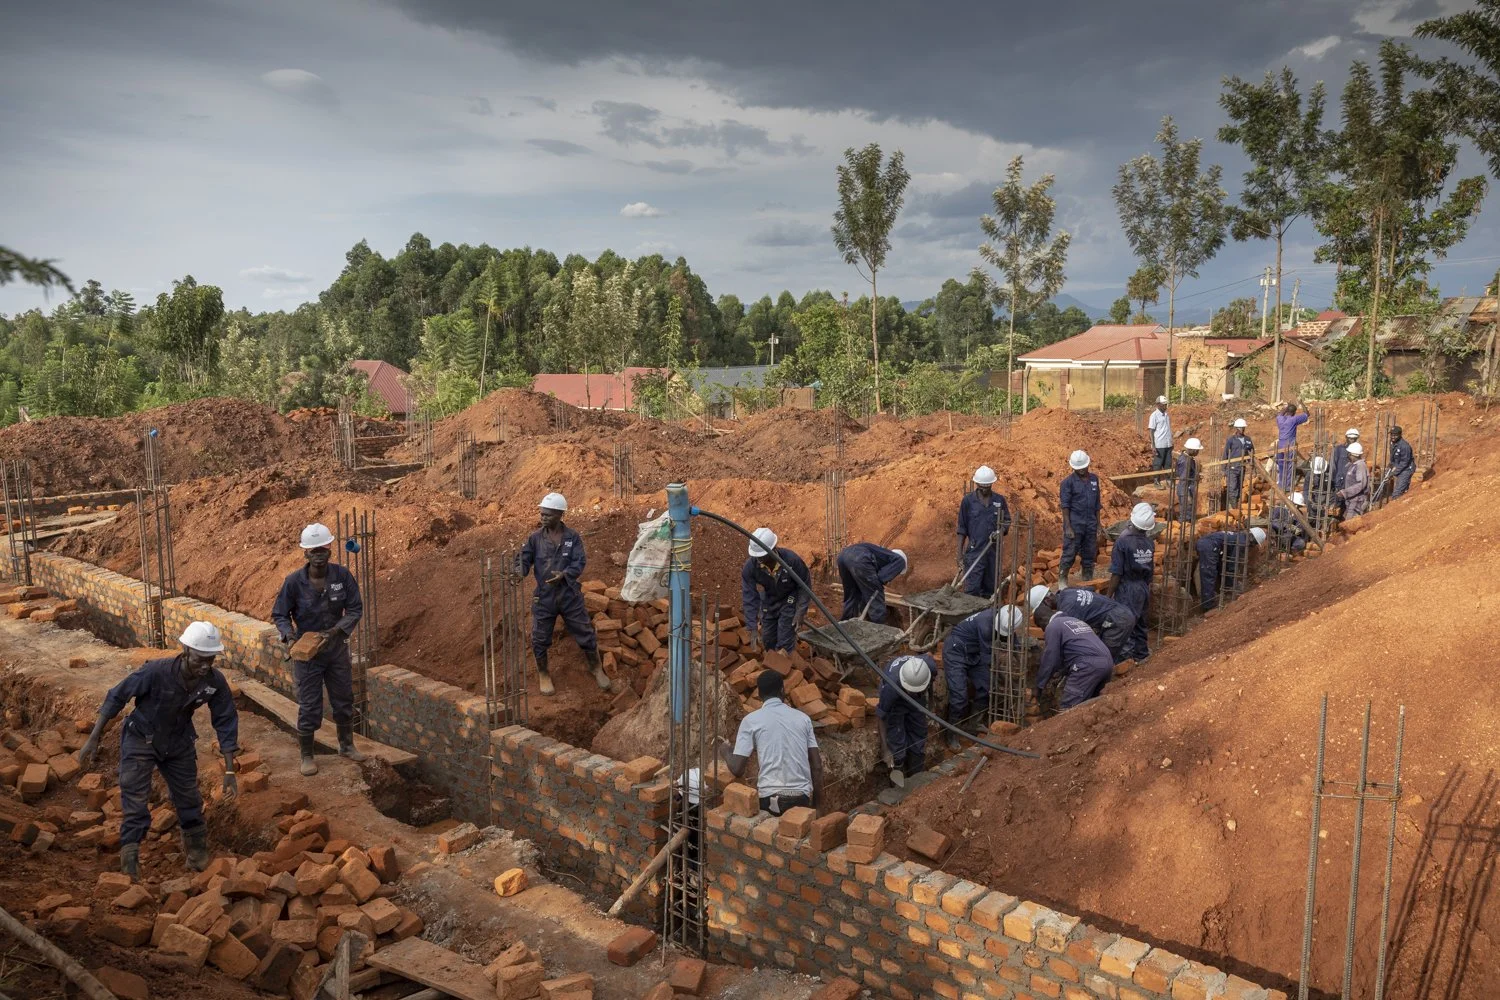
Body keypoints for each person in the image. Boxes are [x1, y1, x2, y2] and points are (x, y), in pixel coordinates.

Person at [76, 622, 239, 877]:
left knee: (188, 798)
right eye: (200, 659)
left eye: (211, 659)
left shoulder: (213, 681)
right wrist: (94, 737)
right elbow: (117, 696)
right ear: (185, 650)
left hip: (178, 741)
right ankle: (130, 860)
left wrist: (229, 770)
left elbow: (226, 719)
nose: (205, 666)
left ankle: (197, 854)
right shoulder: (156, 672)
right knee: (135, 799)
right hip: (141, 737)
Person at [272, 523, 367, 776]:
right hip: (308, 656)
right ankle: (307, 755)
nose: (318, 553)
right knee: (310, 705)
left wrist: (336, 631)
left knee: (343, 700)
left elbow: (355, 609)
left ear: (329, 550)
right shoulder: (293, 582)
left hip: (335, 650)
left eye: (322, 548)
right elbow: (280, 614)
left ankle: (346, 746)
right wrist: (290, 637)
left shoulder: (342, 576)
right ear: (305, 553)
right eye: (313, 550)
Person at [514, 493, 610, 698]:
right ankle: (543, 673)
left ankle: (596, 667)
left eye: (548, 514)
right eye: (541, 514)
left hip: (569, 594)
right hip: (545, 596)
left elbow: (579, 562)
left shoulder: (572, 538)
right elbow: (524, 559)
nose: (543, 517)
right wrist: (519, 570)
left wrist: (565, 575)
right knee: (540, 636)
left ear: (559, 514)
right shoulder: (535, 538)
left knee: (584, 630)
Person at [718, 670, 823, 815]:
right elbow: (816, 766)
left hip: (769, 798)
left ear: (759, 694)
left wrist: (725, 750)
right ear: (782, 690)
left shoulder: (751, 720)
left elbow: (737, 768)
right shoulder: (803, 719)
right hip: (801, 798)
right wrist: (817, 807)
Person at [941, 604, 1025, 745]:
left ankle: (974, 723)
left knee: (987, 687)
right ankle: (952, 733)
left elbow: (1012, 640)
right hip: (956, 651)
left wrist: (1021, 661)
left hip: (974, 653)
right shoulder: (986, 623)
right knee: (960, 696)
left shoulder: (1005, 618)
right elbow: (988, 659)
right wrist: (1002, 677)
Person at [741, 528, 811, 654]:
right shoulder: (750, 568)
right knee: (768, 641)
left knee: (784, 642)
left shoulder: (791, 561)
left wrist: (800, 612)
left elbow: (804, 586)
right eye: (756, 556)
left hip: (789, 599)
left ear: (773, 549)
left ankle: (785, 667)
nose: (759, 559)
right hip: (769, 602)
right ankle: (773, 665)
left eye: (762, 556)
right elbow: (749, 597)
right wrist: (752, 627)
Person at [1028, 584, 1136, 665]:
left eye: (1041, 608)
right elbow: (1090, 589)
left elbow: (1073, 637)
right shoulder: (1066, 593)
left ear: (1047, 601)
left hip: (1117, 621)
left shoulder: (1067, 609)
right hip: (1121, 612)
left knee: (1103, 659)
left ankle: (1116, 683)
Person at [1033, 605, 1116, 711]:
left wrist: (1040, 685)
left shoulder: (1053, 626)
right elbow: (1076, 649)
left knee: (1068, 710)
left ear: (1042, 619)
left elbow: (1050, 658)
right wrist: (1062, 671)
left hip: (1087, 666)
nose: (1043, 631)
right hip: (1107, 662)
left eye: (1041, 626)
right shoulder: (1073, 620)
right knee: (1092, 707)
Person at [1104, 503, 1156, 663]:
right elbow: (1150, 572)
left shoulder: (1122, 543)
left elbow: (1116, 573)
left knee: (1125, 622)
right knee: (1140, 622)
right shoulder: (1149, 543)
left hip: (1128, 587)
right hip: (1143, 587)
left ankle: (1124, 660)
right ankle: (1141, 654)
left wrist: (1108, 596)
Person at [876, 655, 934, 788]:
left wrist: (931, 703)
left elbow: (931, 683)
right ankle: (898, 787)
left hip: (918, 702)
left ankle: (916, 780)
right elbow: (881, 716)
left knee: (919, 737)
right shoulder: (891, 688)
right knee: (897, 742)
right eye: (911, 691)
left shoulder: (928, 668)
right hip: (897, 702)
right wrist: (885, 749)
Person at [956, 466, 1011, 598]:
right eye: (981, 487)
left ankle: (987, 616)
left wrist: (1001, 531)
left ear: (992, 484)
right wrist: (959, 555)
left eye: (987, 487)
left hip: (993, 552)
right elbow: (961, 529)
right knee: (972, 590)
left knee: (991, 589)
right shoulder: (968, 501)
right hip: (975, 551)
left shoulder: (999, 500)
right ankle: (971, 617)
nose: (984, 490)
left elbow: (1007, 521)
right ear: (976, 484)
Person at [1195, 527, 1266, 611]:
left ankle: (1223, 588)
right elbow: (1232, 564)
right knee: (1209, 574)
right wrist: (1234, 583)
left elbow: (1227, 562)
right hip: (1209, 546)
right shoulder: (1242, 543)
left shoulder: (1239, 536)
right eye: (1255, 543)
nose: (1253, 546)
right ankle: (1208, 605)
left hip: (1209, 544)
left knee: (1220, 567)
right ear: (1253, 539)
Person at [1058, 450, 1102, 586]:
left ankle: (1087, 579)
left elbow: (1097, 504)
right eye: (1078, 468)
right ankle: (1062, 579)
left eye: (1083, 467)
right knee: (1070, 552)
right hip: (1075, 524)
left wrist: (1098, 525)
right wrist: (1068, 527)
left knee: (1089, 553)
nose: (1082, 470)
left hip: (1090, 523)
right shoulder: (1067, 483)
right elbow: (1065, 506)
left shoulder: (1094, 479)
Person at [835, 542, 908, 624]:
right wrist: (879, 581)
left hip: (842, 557)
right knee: (876, 595)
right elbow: (900, 562)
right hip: (859, 558)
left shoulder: (879, 554)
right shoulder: (898, 559)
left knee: (853, 595)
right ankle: (878, 628)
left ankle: (845, 626)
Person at [1275, 402, 1309, 489]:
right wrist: (1302, 403)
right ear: (1294, 412)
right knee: (1289, 464)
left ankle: (1281, 485)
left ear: (1287, 411)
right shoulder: (1294, 419)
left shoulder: (1280, 419)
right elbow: (1307, 414)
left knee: (1281, 464)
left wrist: (1286, 407)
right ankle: (1287, 487)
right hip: (1289, 443)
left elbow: (1281, 413)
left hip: (1280, 444)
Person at [1223, 419, 1254, 509]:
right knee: (1232, 487)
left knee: (1239, 487)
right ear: (1236, 428)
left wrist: (1251, 464)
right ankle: (1233, 507)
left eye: (1243, 428)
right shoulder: (1231, 440)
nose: (1242, 429)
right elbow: (1225, 454)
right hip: (1232, 467)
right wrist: (1223, 469)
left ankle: (1237, 506)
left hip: (1242, 467)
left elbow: (1251, 452)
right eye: (1240, 428)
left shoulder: (1248, 439)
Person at [1337, 440, 1370, 518]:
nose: (1348, 456)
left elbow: (1361, 484)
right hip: (1351, 500)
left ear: (1353, 455)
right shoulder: (1352, 465)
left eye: (1349, 454)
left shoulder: (1360, 466)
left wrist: (1345, 492)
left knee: (1350, 523)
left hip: (1357, 501)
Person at [1305, 455, 1336, 535]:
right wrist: (1308, 501)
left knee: (1326, 520)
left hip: (1327, 498)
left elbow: (1334, 489)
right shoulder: (1309, 474)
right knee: (1312, 519)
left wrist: (1331, 503)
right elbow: (1306, 489)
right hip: (1314, 499)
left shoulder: (1331, 473)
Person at [1174, 438, 1203, 518]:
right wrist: (1187, 495)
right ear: (1192, 450)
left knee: (1188, 511)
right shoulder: (1186, 462)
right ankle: (1185, 526)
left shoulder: (1187, 458)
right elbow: (1184, 479)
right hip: (1186, 490)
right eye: (1197, 450)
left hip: (1188, 488)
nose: (1198, 452)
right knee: (1186, 514)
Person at [1148, 396, 1173, 479]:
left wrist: (1171, 442)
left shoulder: (1166, 415)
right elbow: (1151, 431)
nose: (1165, 407)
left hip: (1168, 444)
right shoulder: (1154, 416)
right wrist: (1153, 446)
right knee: (1158, 464)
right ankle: (1156, 481)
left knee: (1168, 464)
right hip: (1159, 445)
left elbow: (1168, 429)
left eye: (1166, 405)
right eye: (1163, 405)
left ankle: (1168, 480)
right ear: (1158, 405)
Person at [1388, 425, 1416, 498]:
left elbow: (1404, 462)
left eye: (1395, 435)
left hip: (1406, 469)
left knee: (1397, 494)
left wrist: (1394, 472)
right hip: (1399, 466)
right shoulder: (1392, 443)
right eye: (1391, 435)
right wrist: (1391, 465)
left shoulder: (1405, 446)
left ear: (1400, 435)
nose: (1393, 437)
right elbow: (1393, 457)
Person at [1331, 428, 1360, 495]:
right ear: (1346, 438)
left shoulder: (1358, 449)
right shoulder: (1339, 449)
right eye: (1350, 438)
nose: (1352, 440)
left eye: (1354, 439)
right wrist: (1333, 479)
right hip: (1340, 480)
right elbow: (1333, 465)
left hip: (1352, 481)